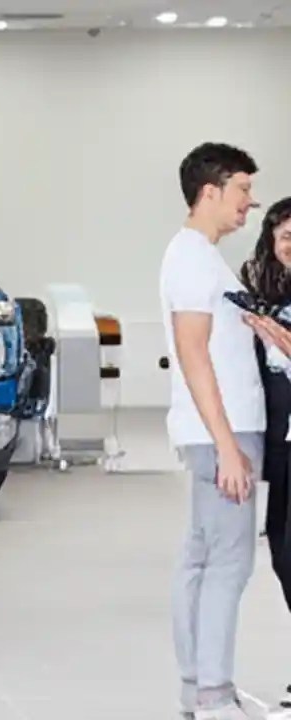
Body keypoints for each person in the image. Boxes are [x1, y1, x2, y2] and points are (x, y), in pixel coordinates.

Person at [160, 142, 264, 720]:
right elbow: (193, 352)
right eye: (242, 189)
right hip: (221, 434)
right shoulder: (193, 259)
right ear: (210, 192)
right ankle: (215, 697)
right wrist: (227, 446)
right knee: (228, 562)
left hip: (215, 431)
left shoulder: (199, 256)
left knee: (202, 559)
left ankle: (197, 688)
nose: (251, 201)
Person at [237, 197, 291, 713]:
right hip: (282, 440)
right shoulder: (263, 289)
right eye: (287, 237)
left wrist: (284, 341)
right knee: (280, 547)